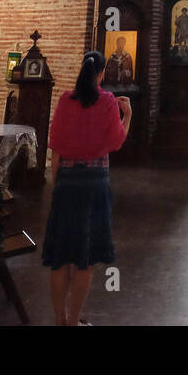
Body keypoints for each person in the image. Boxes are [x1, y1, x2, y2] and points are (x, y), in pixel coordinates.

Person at [42, 51, 132, 326]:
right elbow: (117, 141)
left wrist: (58, 183)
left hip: (67, 183)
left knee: (60, 257)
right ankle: (74, 321)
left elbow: (55, 146)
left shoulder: (65, 100)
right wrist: (127, 114)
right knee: (85, 259)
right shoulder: (106, 101)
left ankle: (60, 319)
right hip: (94, 185)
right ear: (102, 74)